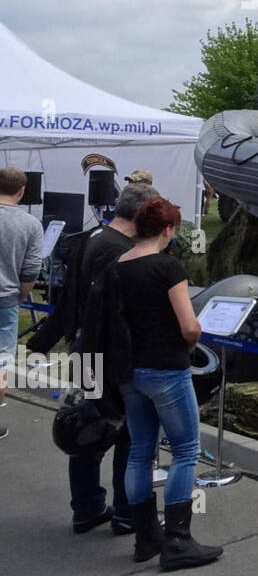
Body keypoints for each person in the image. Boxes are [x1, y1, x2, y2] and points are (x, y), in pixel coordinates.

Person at [113, 196, 222, 571]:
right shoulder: (168, 267)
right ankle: (177, 539)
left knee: (140, 451)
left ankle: (146, 536)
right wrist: (190, 344)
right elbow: (189, 325)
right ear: (169, 229)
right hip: (166, 367)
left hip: (130, 371)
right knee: (186, 449)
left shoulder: (119, 265)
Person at [47, 183, 158, 533]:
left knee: (87, 424)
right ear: (142, 213)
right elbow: (120, 310)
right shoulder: (120, 251)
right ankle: (126, 511)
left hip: (85, 345)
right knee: (126, 433)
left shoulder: (91, 237)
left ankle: (88, 505)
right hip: (109, 352)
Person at [0, 168, 45, 439]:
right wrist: (21, 293)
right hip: (7, 297)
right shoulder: (30, 224)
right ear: (21, 191)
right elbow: (31, 269)